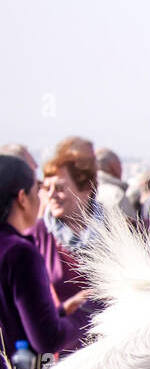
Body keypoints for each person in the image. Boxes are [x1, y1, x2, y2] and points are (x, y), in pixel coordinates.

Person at [0, 156, 87, 369]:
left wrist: (58, 311)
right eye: (37, 190)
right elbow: (46, 340)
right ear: (22, 199)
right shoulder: (19, 252)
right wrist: (86, 317)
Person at [30, 139, 102, 350]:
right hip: (56, 353)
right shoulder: (36, 237)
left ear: (86, 190)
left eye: (59, 188)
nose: (51, 195)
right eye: (46, 187)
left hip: (106, 350)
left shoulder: (114, 231)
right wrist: (64, 308)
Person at [95, 148, 136, 220]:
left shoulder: (86, 191)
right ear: (113, 166)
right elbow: (129, 229)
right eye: (120, 165)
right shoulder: (117, 194)